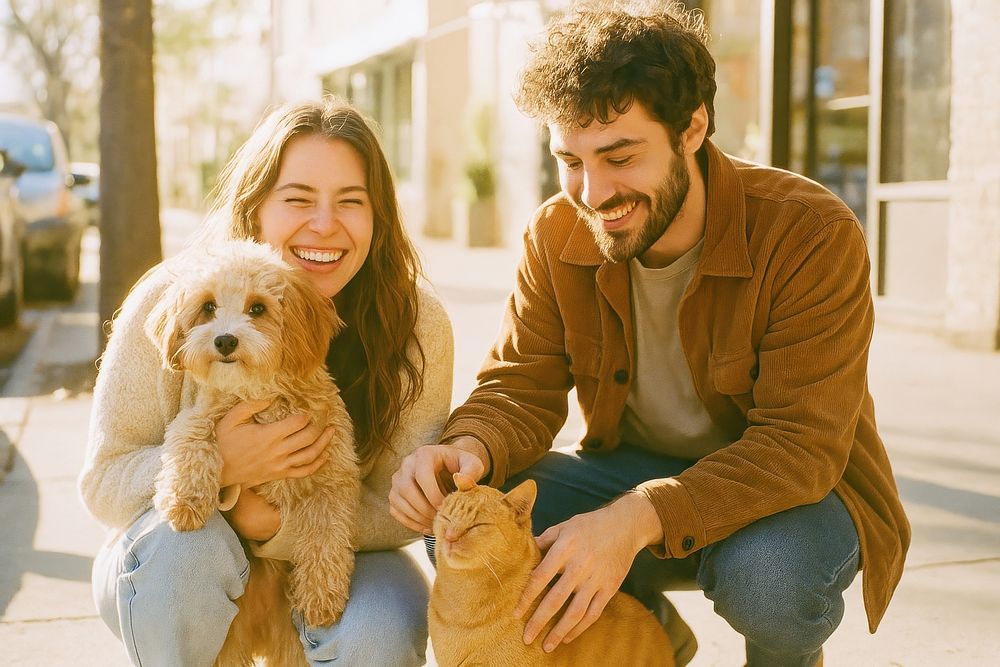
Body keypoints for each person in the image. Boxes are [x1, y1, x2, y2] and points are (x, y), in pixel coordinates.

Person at [389, 3, 910, 666]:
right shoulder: (556, 232)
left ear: (692, 126)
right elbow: (520, 383)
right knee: (465, 536)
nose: (594, 190)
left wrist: (635, 519)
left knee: (770, 583)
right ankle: (650, 634)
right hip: (629, 468)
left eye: (620, 155)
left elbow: (799, 445)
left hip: (786, 492)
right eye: (570, 161)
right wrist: (466, 449)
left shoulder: (809, 232)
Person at [79, 98, 453, 666]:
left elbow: (399, 505)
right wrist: (223, 469)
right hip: (174, 552)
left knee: (380, 625)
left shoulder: (416, 322)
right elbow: (104, 480)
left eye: (351, 202)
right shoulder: (174, 298)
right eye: (298, 200)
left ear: (378, 218)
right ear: (256, 208)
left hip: (333, 547)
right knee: (184, 559)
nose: (324, 225)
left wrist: (275, 526)